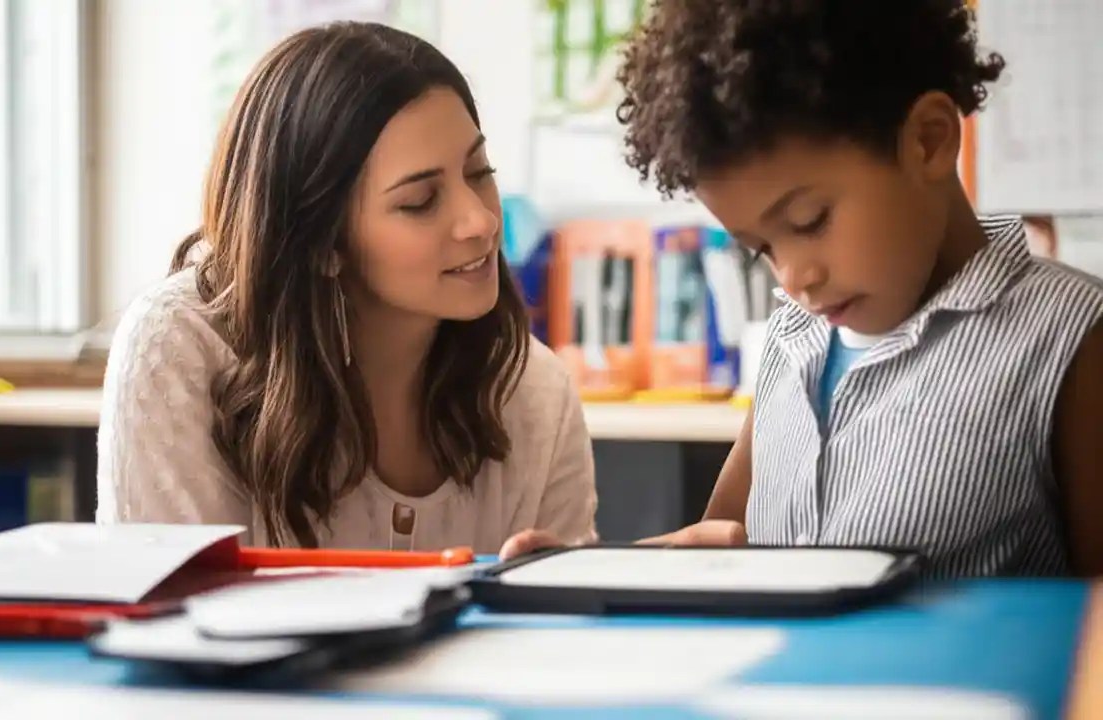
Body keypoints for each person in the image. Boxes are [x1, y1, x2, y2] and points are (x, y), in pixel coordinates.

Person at [504, 0, 1103, 577]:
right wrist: (595, 571)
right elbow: (718, 548)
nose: (793, 278)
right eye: (762, 249)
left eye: (810, 221)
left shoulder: (1072, 337)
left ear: (929, 140)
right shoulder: (796, 338)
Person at [97, 22, 597, 553]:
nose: (480, 220)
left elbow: (565, 626)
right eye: (420, 201)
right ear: (319, 241)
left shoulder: (534, 392)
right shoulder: (178, 351)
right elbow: (175, 618)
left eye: (479, 172)